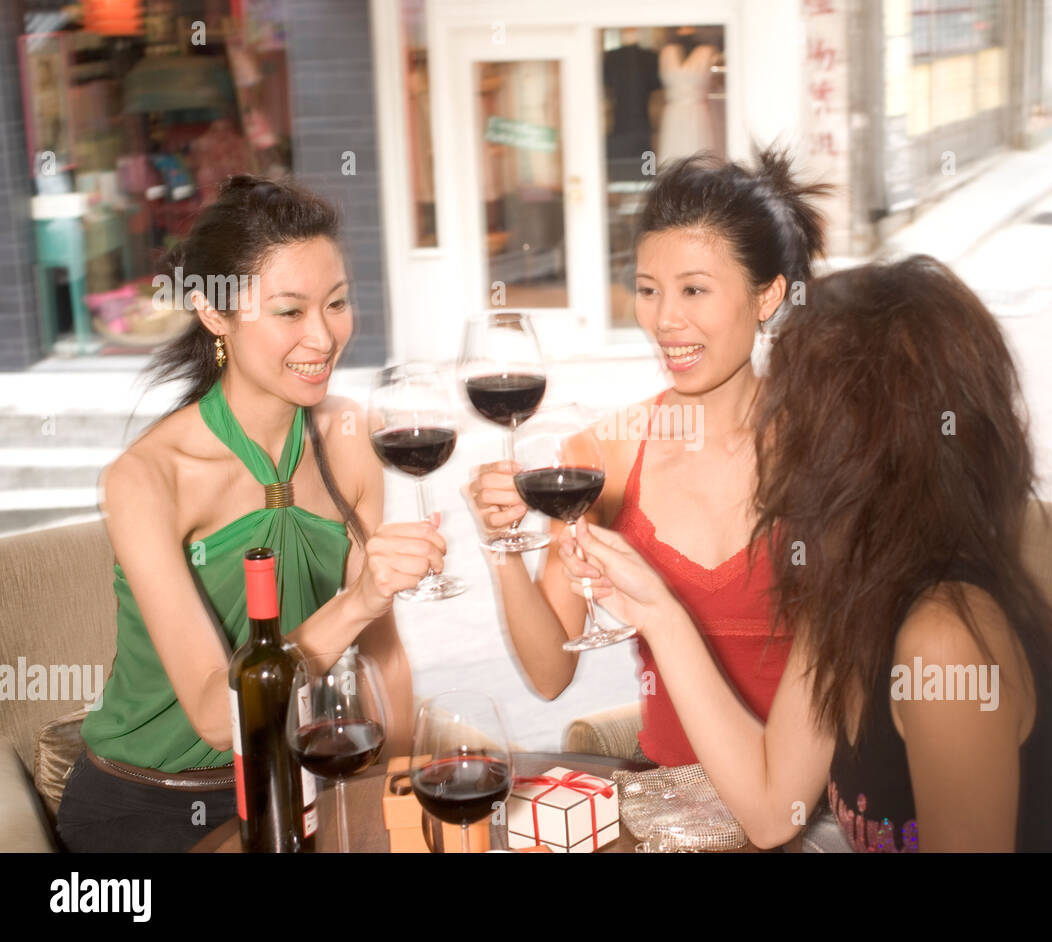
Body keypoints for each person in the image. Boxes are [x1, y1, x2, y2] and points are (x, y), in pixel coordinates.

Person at [564, 256, 1052, 851]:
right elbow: (772, 812)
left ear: (858, 445)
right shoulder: (850, 590)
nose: (772, 422)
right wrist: (659, 614)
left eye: (796, 406)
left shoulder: (946, 641)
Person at [58, 175, 442, 852]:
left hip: (298, 777)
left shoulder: (352, 439)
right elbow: (216, 712)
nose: (324, 337)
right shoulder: (147, 479)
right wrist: (360, 599)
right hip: (153, 807)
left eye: (338, 303)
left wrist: (394, 796)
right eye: (290, 312)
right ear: (214, 314)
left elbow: (385, 659)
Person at [467, 148, 829, 767]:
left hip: (814, 802)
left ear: (767, 296)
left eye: (694, 290)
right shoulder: (604, 453)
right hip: (669, 807)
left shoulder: (827, 446)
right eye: (648, 290)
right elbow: (550, 672)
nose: (665, 320)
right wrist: (500, 548)